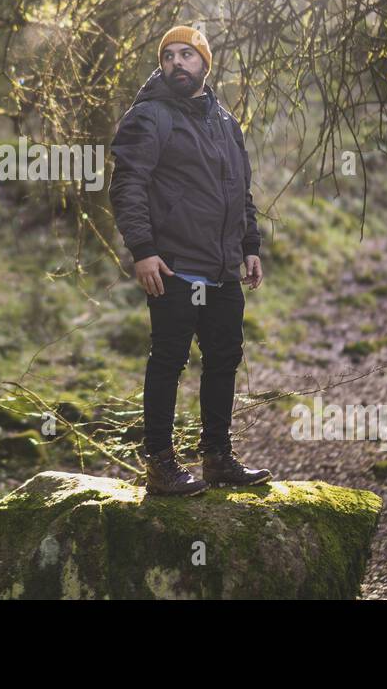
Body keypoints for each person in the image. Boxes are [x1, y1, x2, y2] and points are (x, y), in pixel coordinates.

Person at [108, 25, 274, 495]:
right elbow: (128, 186)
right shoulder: (150, 116)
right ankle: (161, 464)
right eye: (168, 56)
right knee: (168, 360)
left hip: (222, 268)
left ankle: (217, 459)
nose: (177, 63)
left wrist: (250, 246)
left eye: (187, 54)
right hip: (174, 265)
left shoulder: (225, 122)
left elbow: (238, 191)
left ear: (205, 63)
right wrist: (143, 251)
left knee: (224, 359)